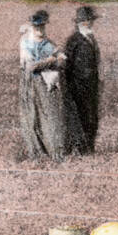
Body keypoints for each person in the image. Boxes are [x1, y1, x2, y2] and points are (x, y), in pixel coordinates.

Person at [18, 10, 67, 162]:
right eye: (37, 27)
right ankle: (36, 153)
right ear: (32, 27)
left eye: (42, 27)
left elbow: (62, 60)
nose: (40, 30)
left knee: (51, 117)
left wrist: (53, 59)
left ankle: (54, 153)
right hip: (30, 84)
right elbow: (31, 67)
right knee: (32, 117)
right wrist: (51, 60)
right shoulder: (26, 43)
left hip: (47, 84)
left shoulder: (48, 43)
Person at [63, 5, 102, 154]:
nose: (91, 23)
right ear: (82, 22)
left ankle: (89, 147)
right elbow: (67, 64)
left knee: (91, 115)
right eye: (88, 20)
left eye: (91, 20)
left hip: (91, 84)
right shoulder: (74, 40)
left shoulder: (90, 37)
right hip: (78, 85)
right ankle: (80, 148)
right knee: (79, 116)